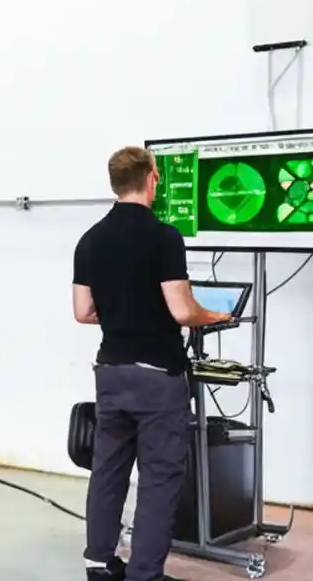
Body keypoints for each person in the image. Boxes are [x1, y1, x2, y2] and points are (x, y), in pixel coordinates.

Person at [71, 146, 231, 581]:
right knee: (159, 479)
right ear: (152, 179)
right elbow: (182, 311)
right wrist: (214, 315)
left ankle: (100, 564)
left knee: (108, 470)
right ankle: (145, 574)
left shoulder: (90, 239)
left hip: (111, 373)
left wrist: (123, 311)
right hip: (158, 377)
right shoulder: (164, 237)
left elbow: (82, 311)